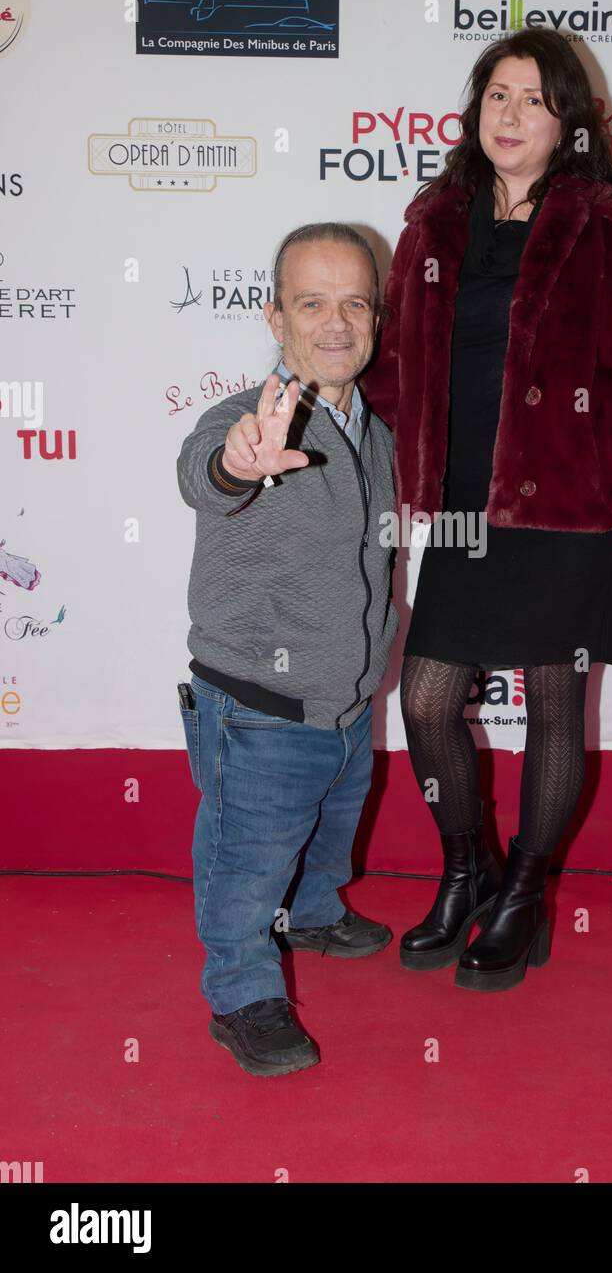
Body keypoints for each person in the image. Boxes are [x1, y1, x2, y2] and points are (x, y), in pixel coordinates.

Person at [362, 28, 612, 993]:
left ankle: (525, 894)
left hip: (574, 504)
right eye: (496, 95)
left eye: (534, 100)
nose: (510, 116)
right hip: (466, 505)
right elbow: (397, 372)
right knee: (427, 698)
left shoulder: (610, 222)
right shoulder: (434, 220)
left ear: (569, 122)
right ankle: (465, 868)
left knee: (556, 705)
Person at [176, 223, 399, 1075]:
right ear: (276, 318)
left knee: (328, 831)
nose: (336, 323)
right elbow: (205, 472)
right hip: (259, 710)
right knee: (247, 859)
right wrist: (240, 463)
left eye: (355, 303)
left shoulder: (372, 431)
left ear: (376, 318)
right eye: (312, 303)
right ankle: (241, 993)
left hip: (345, 702)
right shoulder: (244, 419)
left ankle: (313, 912)